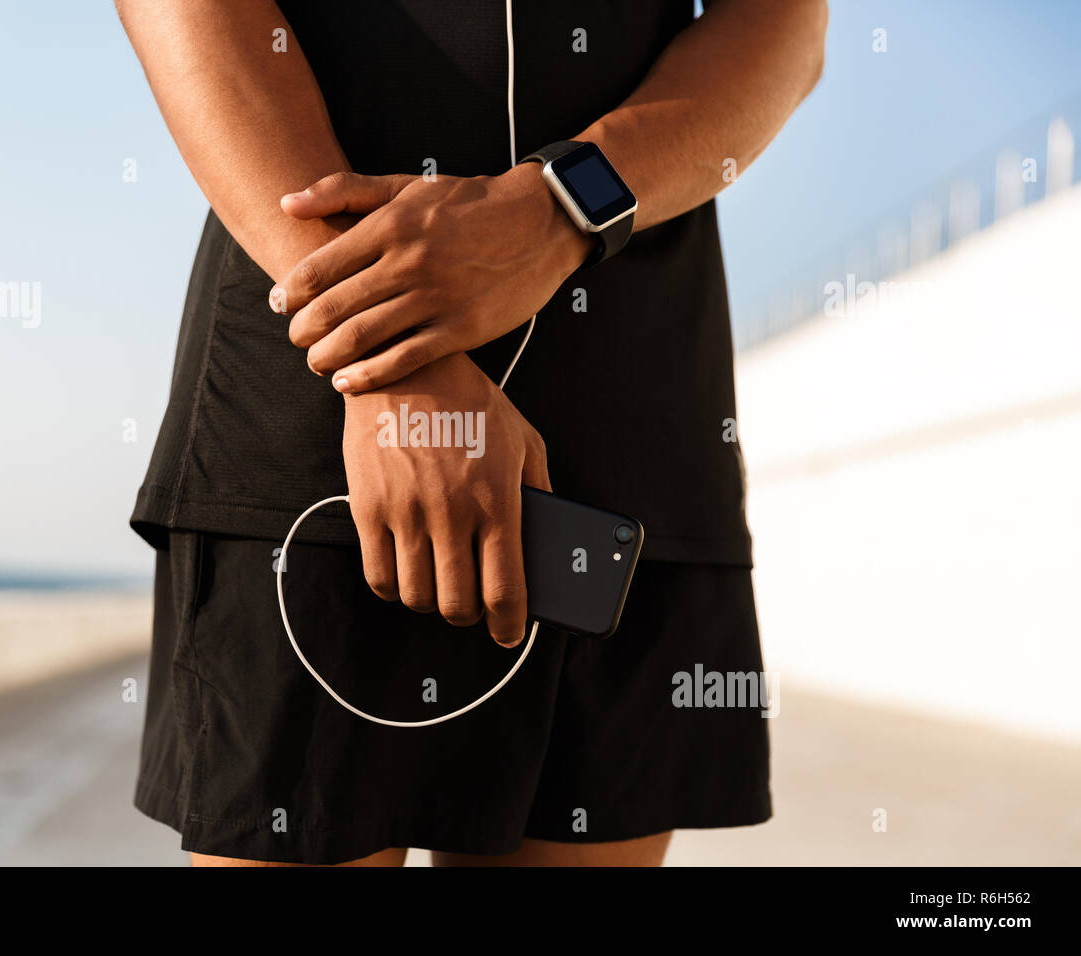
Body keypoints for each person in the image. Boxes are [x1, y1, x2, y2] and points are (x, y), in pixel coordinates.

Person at [117, 0, 826, 866]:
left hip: (625, 405)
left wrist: (560, 209)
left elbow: (785, 27)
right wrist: (386, 352)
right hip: (314, 400)